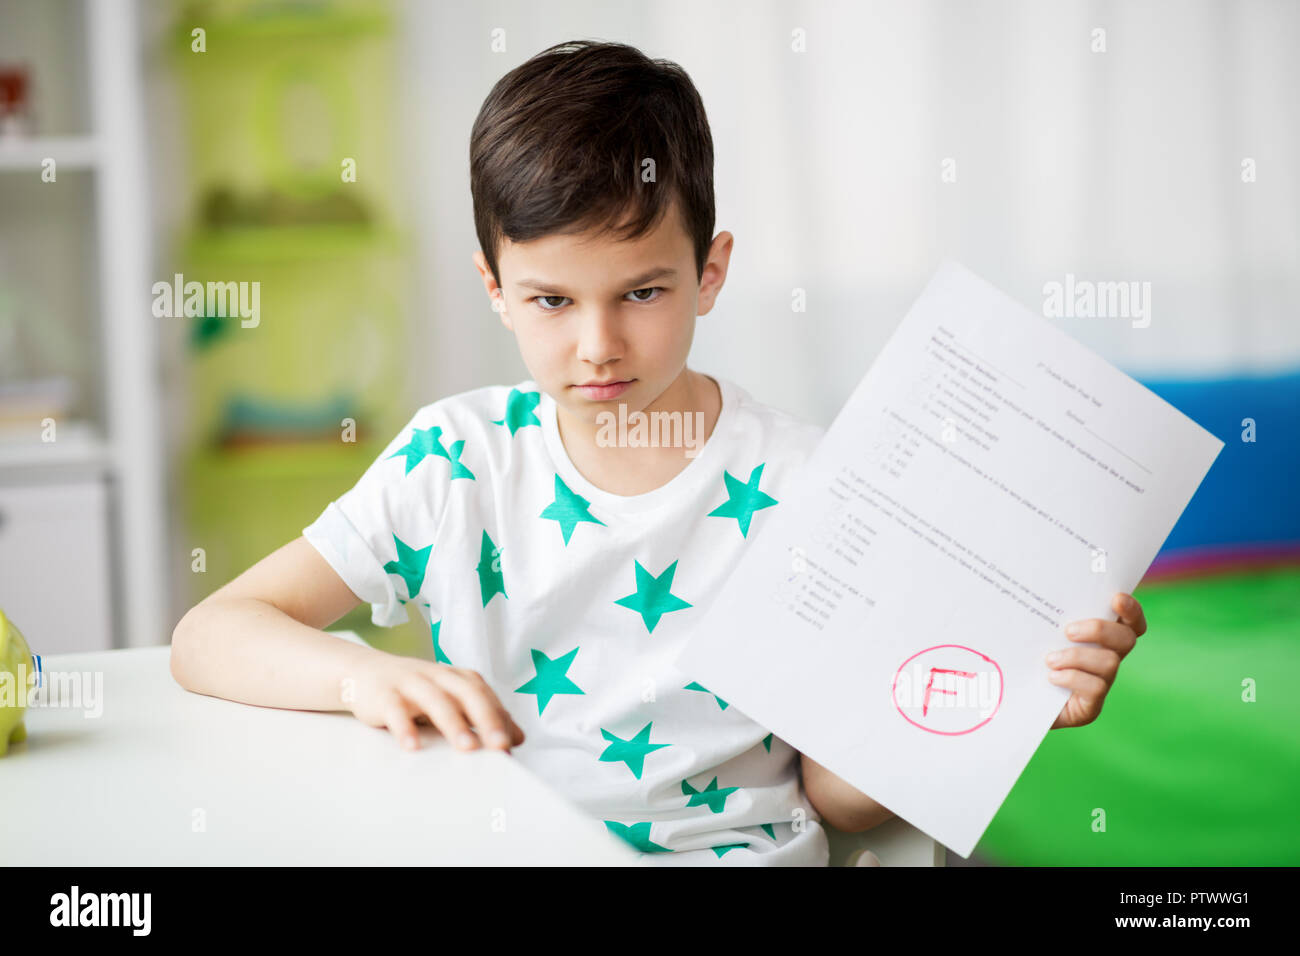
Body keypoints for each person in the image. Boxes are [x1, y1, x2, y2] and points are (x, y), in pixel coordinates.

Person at [170, 40, 1147, 866]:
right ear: (494, 286)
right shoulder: (452, 461)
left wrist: (1002, 704)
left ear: (709, 271)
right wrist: (359, 675)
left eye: (641, 292)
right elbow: (210, 634)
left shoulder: (810, 486)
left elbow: (840, 801)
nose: (597, 344)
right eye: (552, 299)